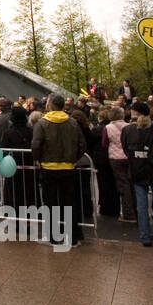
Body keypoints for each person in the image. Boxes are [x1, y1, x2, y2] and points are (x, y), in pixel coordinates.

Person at [32, 94, 88, 248]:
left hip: (48, 168)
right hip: (68, 168)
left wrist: (37, 159)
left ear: (49, 106)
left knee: (50, 203)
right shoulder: (73, 123)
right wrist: (74, 158)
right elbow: (82, 145)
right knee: (69, 203)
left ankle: (53, 237)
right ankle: (73, 238)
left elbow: (36, 144)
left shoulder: (41, 124)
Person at [121, 102, 153, 248]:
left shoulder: (128, 130)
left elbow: (125, 149)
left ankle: (145, 237)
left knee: (142, 205)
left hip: (138, 170)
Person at [103, 107, 137, 222]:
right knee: (132, 184)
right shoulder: (129, 126)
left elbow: (105, 143)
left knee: (123, 185)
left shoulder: (107, 128)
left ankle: (128, 213)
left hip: (115, 157)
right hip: (129, 156)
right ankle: (136, 211)